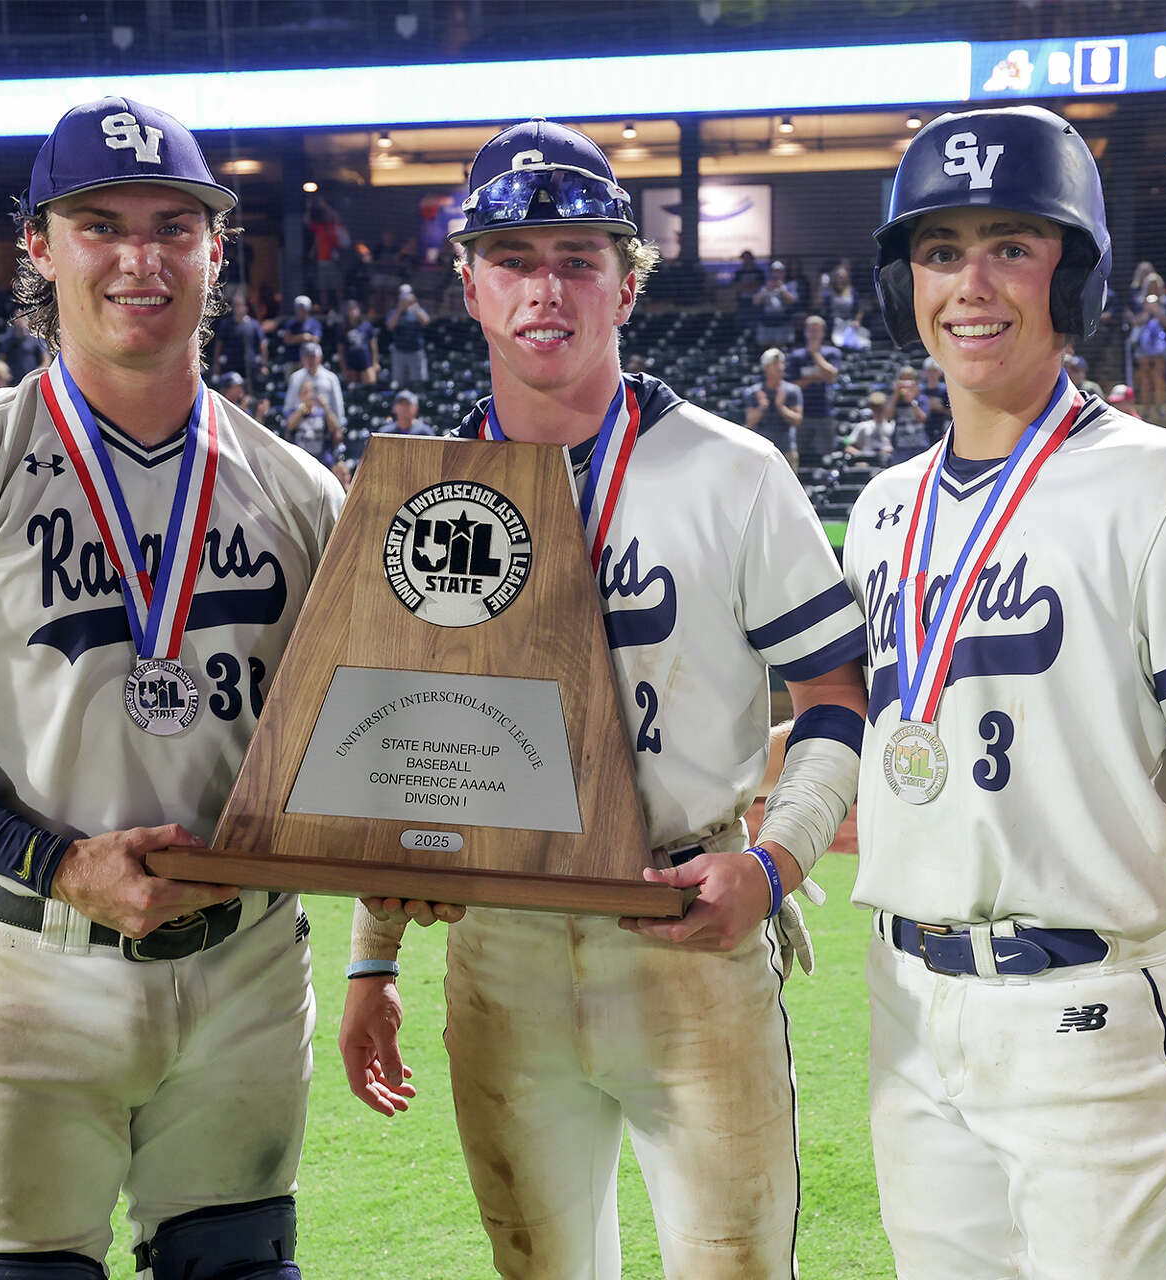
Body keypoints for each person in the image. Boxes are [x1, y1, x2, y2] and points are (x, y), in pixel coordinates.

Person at [0, 96, 341, 1280]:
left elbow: (360, 737)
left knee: (243, 1268)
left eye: (174, 225)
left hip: (246, 964)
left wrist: (405, 887)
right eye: (100, 224)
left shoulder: (302, 492)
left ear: (216, 246)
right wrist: (56, 861)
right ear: (37, 249)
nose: (141, 258)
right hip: (26, 956)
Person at [337, 118, 868, 1280]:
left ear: (628, 283)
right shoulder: (421, 489)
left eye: (579, 258)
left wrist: (775, 864)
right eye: (515, 258)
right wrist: (372, 956)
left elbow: (834, 689)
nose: (546, 288)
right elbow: (396, 740)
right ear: (469, 283)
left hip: (687, 924)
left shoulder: (734, 470)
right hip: (496, 943)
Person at [845, 104, 1166, 1277]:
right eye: (942, 250)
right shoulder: (883, 506)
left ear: (1078, 272)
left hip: (1092, 1018)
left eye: (1013, 242)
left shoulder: (1164, 482)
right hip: (908, 1012)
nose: (972, 284)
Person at [789, 314, 842, 466]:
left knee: (827, 456)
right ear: (805, 332)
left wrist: (815, 353)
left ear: (823, 333)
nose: (813, 334)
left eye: (817, 330)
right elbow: (794, 385)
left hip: (824, 412)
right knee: (801, 455)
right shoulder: (796, 356)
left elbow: (831, 376)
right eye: (811, 330)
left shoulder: (832, 353)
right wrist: (815, 376)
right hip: (802, 413)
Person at [743, 346, 803, 466]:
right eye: (774, 364)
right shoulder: (754, 392)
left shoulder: (792, 390)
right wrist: (762, 406)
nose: (780, 367)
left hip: (786, 450)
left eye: (781, 363)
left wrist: (780, 406)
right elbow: (750, 422)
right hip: (761, 450)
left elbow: (797, 420)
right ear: (766, 368)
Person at [385, 283, 430, 387]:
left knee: (418, 382)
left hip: (416, 351)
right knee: (398, 382)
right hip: (399, 351)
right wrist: (400, 309)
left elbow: (426, 321)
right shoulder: (394, 312)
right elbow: (390, 326)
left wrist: (415, 305)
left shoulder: (417, 310)